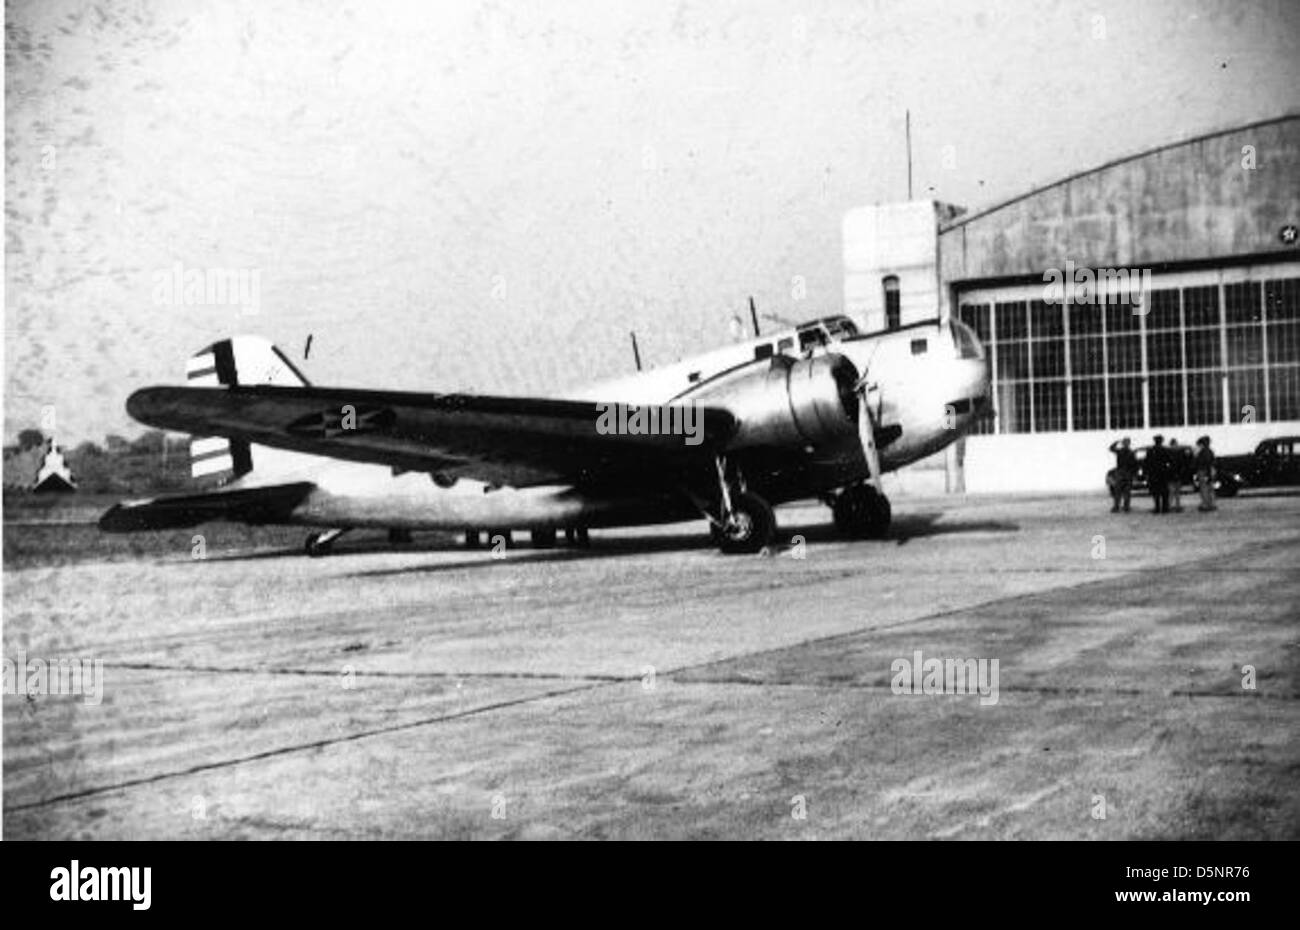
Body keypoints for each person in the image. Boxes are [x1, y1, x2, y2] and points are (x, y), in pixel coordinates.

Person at [1107, 437, 1136, 512]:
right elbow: (1135, 464)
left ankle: (1117, 507)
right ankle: (1126, 507)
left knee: (1118, 491)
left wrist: (1117, 442)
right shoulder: (1131, 452)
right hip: (1127, 473)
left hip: (1120, 472)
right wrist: (1133, 474)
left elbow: (1111, 448)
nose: (1126, 444)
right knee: (1126, 491)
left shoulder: (1120, 451)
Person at [1145, 434, 1172, 514]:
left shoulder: (1150, 450)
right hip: (1163, 473)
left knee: (1155, 491)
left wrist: (1148, 472)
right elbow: (1170, 461)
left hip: (1154, 473)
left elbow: (1147, 462)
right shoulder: (1165, 450)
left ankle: (1157, 508)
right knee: (1164, 492)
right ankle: (1165, 508)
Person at [1195, 435, 1217, 512]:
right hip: (1209, 471)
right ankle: (1211, 504)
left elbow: (1204, 463)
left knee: (1204, 489)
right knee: (1210, 489)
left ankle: (1206, 504)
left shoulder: (1203, 452)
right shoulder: (1210, 451)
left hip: (1203, 471)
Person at [1167, 438, 1184, 512]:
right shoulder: (1180, 453)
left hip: (1171, 475)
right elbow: (1182, 465)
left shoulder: (1168, 453)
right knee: (1176, 492)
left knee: (1172, 492)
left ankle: (1170, 505)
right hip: (1177, 475)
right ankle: (1177, 505)